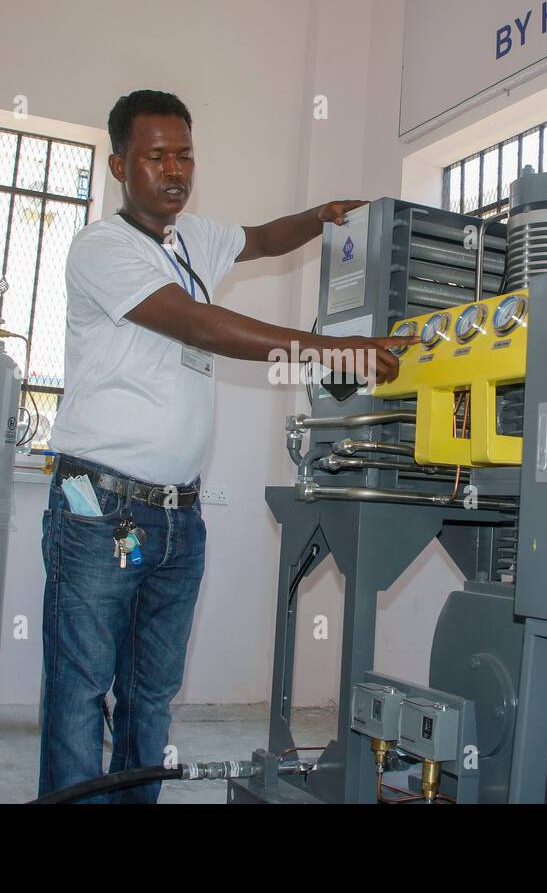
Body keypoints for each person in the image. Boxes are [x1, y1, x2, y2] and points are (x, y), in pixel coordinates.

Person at [39, 89, 415, 802]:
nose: (175, 169)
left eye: (185, 154)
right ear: (121, 165)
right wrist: (330, 352)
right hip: (99, 511)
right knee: (81, 697)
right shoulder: (103, 248)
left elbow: (261, 239)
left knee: (151, 700)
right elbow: (200, 325)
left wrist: (320, 215)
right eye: (156, 156)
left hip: (178, 516)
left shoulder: (193, 239)